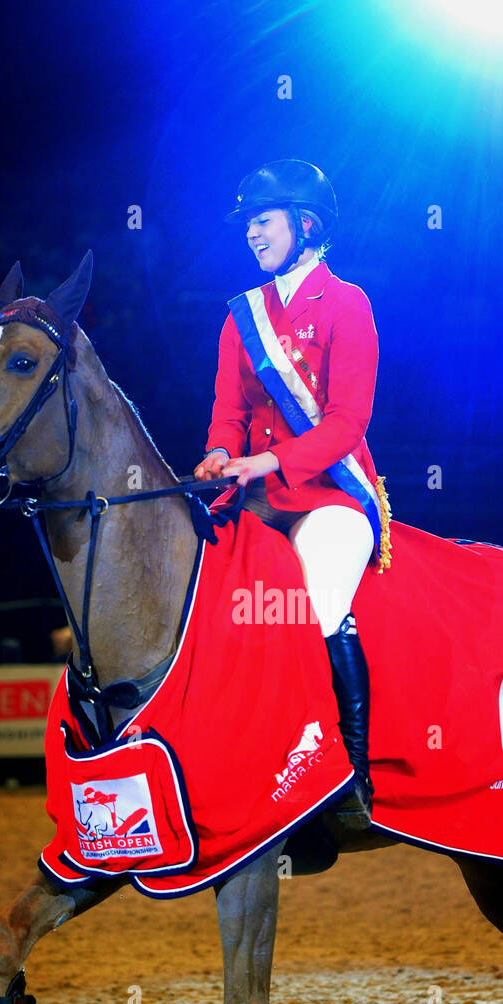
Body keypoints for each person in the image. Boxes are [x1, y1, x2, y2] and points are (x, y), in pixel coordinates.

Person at [194, 159, 391, 828]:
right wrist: (221, 452)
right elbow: (227, 410)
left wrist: (266, 461)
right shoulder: (240, 316)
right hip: (254, 495)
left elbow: (346, 422)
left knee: (321, 603)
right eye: (247, 223)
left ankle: (352, 781)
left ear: (304, 225)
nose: (250, 234)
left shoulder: (347, 303)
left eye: (262, 221)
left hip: (328, 496)